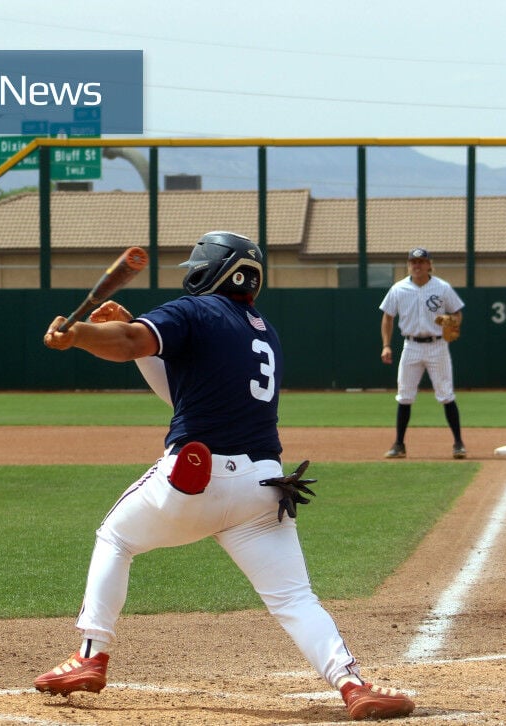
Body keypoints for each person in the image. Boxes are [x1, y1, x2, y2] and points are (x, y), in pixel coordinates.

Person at [35, 231, 415, 721]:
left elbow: (130, 344)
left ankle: (90, 656)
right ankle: (353, 684)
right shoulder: (263, 332)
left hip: (196, 475)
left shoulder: (192, 311)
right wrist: (120, 328)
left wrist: (78, 335)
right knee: (295, 598)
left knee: (115, 537)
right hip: (264, 486)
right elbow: (178, 386)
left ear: (209, 270)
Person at [378, 247, 466, 460]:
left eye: (421, 261)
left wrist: (453, 322)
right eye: (413, 262)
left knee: (446, 394)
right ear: (409, 264)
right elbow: (388, 317)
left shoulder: (442, 287)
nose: (416, 265)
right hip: (411, 345)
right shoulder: (399, 289)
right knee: (405, 395)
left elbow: (457, 313)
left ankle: (458, 444)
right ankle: (399, 444)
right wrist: (386, 345)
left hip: (438, 345)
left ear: (429, 264)